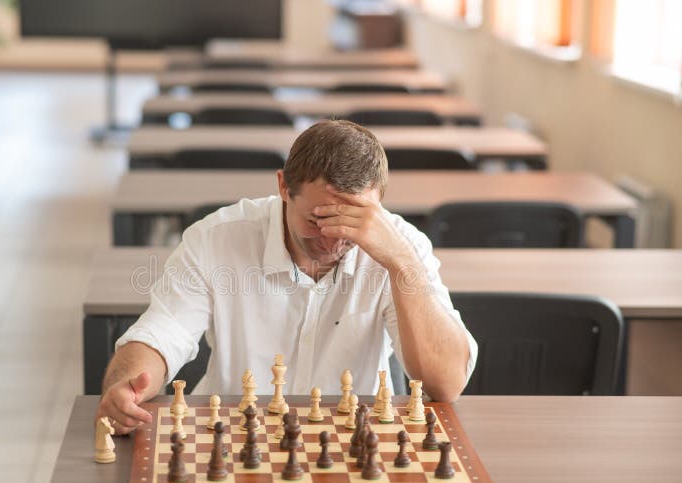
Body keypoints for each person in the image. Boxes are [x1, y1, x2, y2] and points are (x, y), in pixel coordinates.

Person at [97, 120, 477, 434]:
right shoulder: (215, 238)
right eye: (318, 219)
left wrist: (401, 264)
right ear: (283, 187)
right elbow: (163, 333)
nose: (333, 239)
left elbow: (446, 384)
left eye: (353, 221)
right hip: (232, 436)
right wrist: (127, 385)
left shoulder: (403, 246)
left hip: (351, 441)